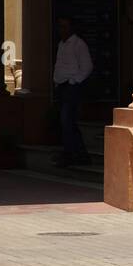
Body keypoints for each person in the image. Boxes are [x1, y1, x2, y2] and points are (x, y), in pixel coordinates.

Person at [53, 16, 93, 166]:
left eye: (64, 27)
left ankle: (74, 154)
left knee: (67, 120)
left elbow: (87, 66)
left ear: (71, 28)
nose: (61, 30)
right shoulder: (61, 45)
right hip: (61, 87)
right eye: (60, 27)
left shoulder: (78, 44)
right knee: (67, 122)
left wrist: (74, 81)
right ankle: (76, 154)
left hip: (72, 88)